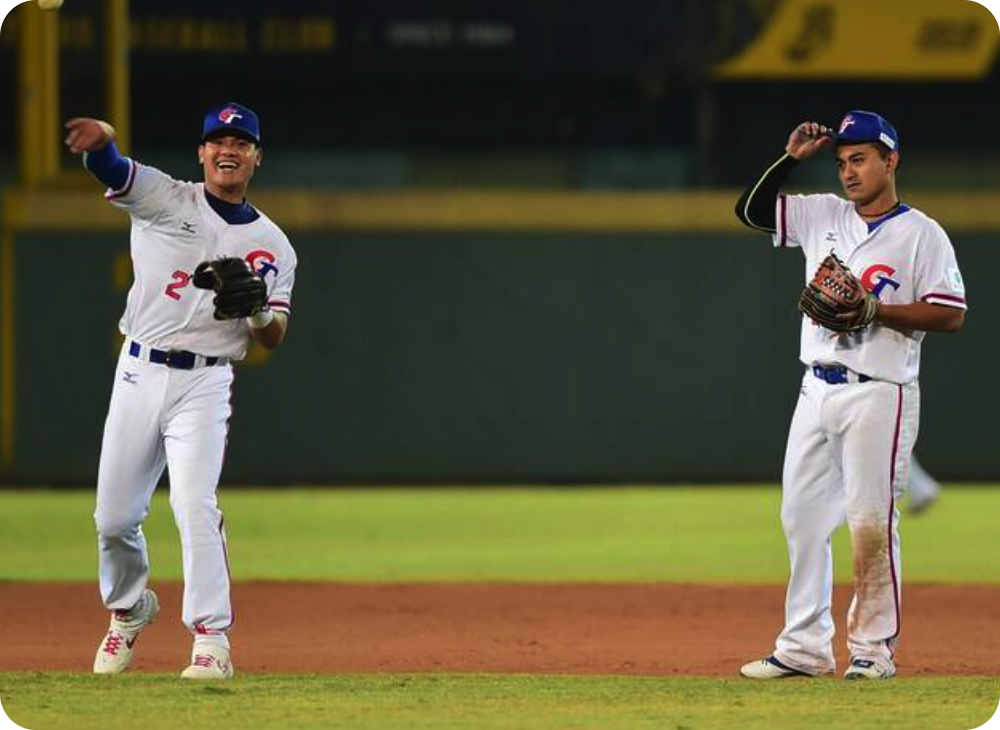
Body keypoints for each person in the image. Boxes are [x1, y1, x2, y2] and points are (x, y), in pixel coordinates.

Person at [64, 102, 297, 680]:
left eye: (241, 142)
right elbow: (115, 171)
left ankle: (211, 640)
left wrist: (261, 309)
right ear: (202, 153)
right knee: (114, 519)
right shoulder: (166, 197)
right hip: (139, 371)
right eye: (218, 140)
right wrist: (100, 146)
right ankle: (128, 611)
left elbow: (274, 337)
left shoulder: (275, 245)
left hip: (207, 379)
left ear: (256, 158)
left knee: (196, 505)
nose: (229, 150)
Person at [733, 110, 966, 680]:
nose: (848, 171)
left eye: (860, 158)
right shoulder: (822, 215)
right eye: (842, 161)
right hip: (815, 388)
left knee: (869, 522)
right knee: (802, 518)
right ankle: (804, 648)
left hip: (878, 393)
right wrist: (791, 159)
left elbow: (950, 314)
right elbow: (750, 211)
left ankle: (872, 651)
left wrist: (877, 309)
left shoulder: (923, 234)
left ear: (891, 161)